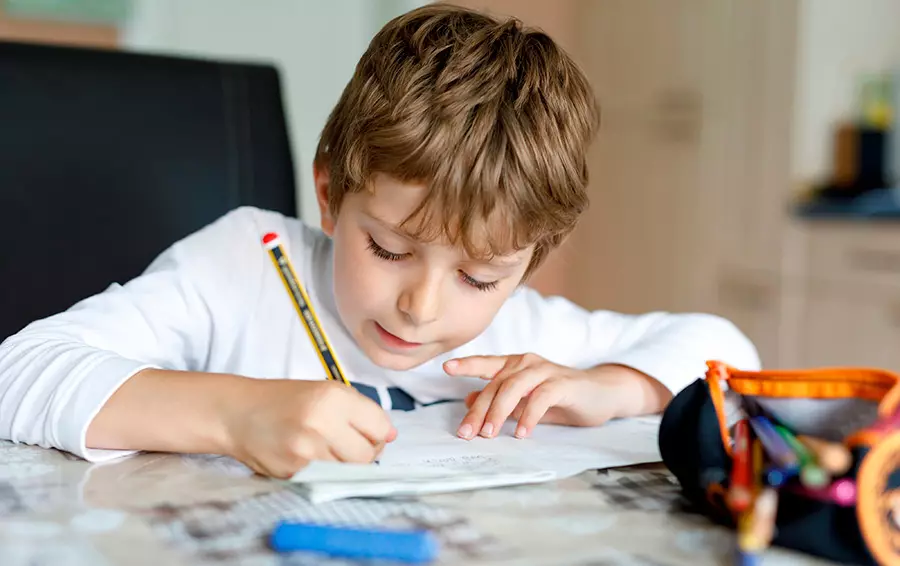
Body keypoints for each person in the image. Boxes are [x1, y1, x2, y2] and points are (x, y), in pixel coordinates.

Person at [0, 4, 759, 479]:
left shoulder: (520, 337)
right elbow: (18, 371)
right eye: (391, 250)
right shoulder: (243, 264)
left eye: (480, 276)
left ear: (533, 257)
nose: (422, 306)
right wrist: (235, 414)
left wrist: (609, 388)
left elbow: (726, 350)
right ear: (330, 195)